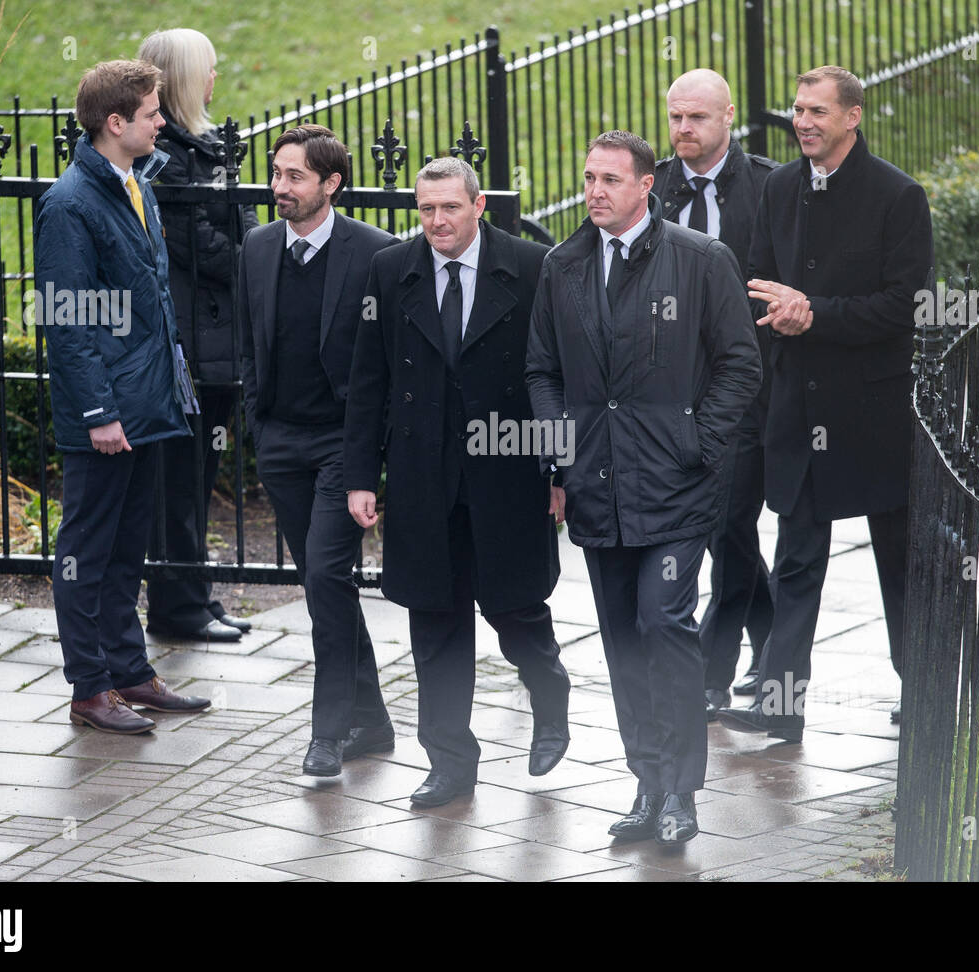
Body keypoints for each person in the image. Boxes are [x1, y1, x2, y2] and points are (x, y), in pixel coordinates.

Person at [526, 131, 762, 844]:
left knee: (665, 624)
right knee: (624, 639)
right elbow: (542, 372)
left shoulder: (699, 261)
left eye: (610, 179)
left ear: (646, 186)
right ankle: (646, 784)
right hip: (597, 484)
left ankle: (681, 794)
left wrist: (694, 440)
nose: (595, 190)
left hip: (677, 487)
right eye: (588, 177)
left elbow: (740, 366)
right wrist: (557, 459)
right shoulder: (562, 266)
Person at [345, 157, 571, 808]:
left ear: (478, 206)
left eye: (450, 208)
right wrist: (362, 475)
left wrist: (559, 469)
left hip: (509, 472)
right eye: (426, 210)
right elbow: (370, 382)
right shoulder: (392, 271)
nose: (438, 222)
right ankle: (449, 762)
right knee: (435, 622)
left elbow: (558, 375)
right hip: (423, 477)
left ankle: (548, 688)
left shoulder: (532, 267)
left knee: (515, 609)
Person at [718, 66, 933, 741]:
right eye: (796, 109)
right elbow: (758, 279)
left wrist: (816, 315)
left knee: (897, 559)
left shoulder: (898, 195)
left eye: (816, 111)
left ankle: (923, 689)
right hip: (798, 405)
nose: (802, 121)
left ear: (853, 117)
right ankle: (782, 709)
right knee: (797, 556)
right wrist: (778, 315)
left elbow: (906, 305)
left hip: (871, 410)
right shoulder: (779, 187)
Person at [35, 59, 209, 734]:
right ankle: (89, 688)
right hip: (106, 414)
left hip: (145, 403)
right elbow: (67, 321)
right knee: (88, 547)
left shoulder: (139, 183)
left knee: (128, 545)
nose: (162, 121)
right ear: (116, 123)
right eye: (151, 112)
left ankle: (130, 673)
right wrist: (98, 413)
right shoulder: (71, 204)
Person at [238, 125, 398, 777]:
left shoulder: (376, 252)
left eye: (294, 177)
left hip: (343, 446)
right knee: (323, 584)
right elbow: (251, 344)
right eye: (276, 174)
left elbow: (390, 363)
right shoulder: (257, 246)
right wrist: (259, 425)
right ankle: (377, 721)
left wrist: (374, 455)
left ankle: (328, 732)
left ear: (331, 184)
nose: (280, 188)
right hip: (281, 442)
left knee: (328, 579)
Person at [652, 68, 777, 721]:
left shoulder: (769, 186)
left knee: (727, 521)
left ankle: (711, 671)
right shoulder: (655, 190)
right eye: (675, 117)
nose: (683, 130)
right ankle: (776, 638)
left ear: (729, 115)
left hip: (745, 387)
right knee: (719, 529)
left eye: (697, 117)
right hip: (672, 392)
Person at [138, 28, 258, 644]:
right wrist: (256, 259)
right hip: (187, 343)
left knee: (199, 472)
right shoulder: (164, 160)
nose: (215, 78)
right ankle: (175, 607)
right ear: (185, 78)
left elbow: (239, 225)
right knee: (178, 479)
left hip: (217, 338)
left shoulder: (207, 146)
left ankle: (196, 595)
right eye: (206, 70)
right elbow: (200, 245)